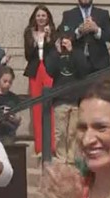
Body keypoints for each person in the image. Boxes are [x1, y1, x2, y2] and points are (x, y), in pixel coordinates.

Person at [44, 32, 92, 163]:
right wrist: (57, 52)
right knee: (60, 132)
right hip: (60, 99)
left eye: (67, 40)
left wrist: (72, 52)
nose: (65, 43)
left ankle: (71, 158)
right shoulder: (55, 55)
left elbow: (83, 71)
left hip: (75, 99)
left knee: (73, 131)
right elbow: (50, 70)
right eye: (62, 40)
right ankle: (61, 157)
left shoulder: (77, 54)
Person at [23, 5, 56, 154]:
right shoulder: (29, 33)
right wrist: (36, 41)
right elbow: (28, 55)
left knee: (50, 106)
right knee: (36, 108)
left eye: (43, 15)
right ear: (34, 18)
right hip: (35, 70)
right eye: (38, 16)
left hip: (49, 69)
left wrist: (48, 38)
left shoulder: (54, 32)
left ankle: (53, 146)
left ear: (48, 17)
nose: (41, 18)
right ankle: (39, 146)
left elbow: (55, 53)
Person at [60, 0, 110, 73]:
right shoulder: (68, 15)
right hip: (77, 63)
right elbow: (63, 34)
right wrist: (78, 31)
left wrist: (97, 30)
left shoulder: (103, 14)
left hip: (99, 64)